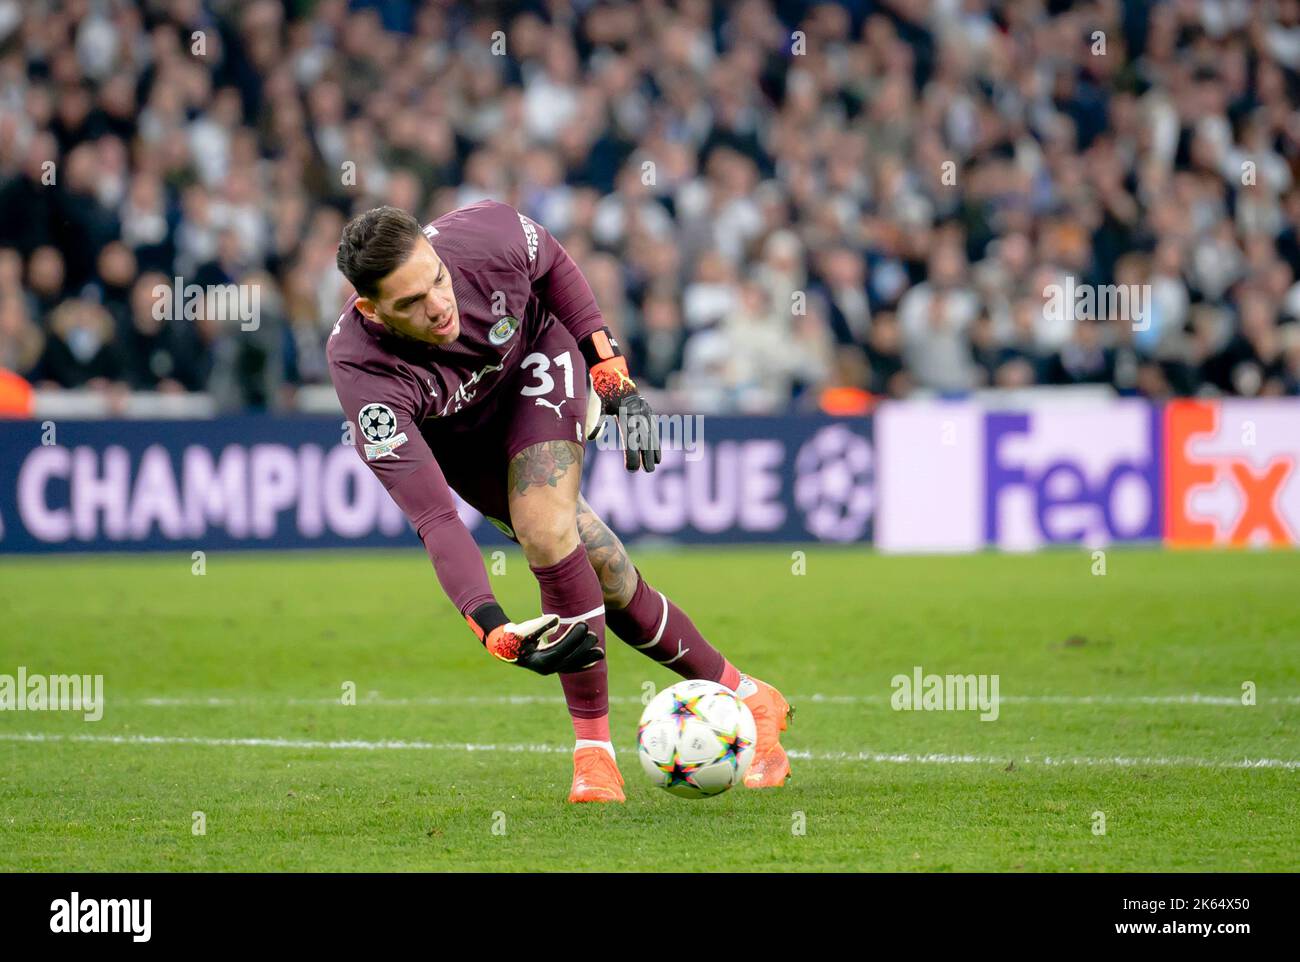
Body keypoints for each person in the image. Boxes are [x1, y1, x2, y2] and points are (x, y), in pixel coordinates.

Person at [328, 201, 792, 802]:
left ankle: (593, 755)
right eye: (410, 304)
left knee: (546, 531)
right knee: (606, 574)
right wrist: (493, 627)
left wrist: (613, 379)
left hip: (536, 366)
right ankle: (752, 696)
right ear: (370, 310)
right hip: (466, 446)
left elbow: (553, 266)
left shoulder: (486, 234)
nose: (439, 306)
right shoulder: (362, 371)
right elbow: (436, 516)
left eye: (436, 280)